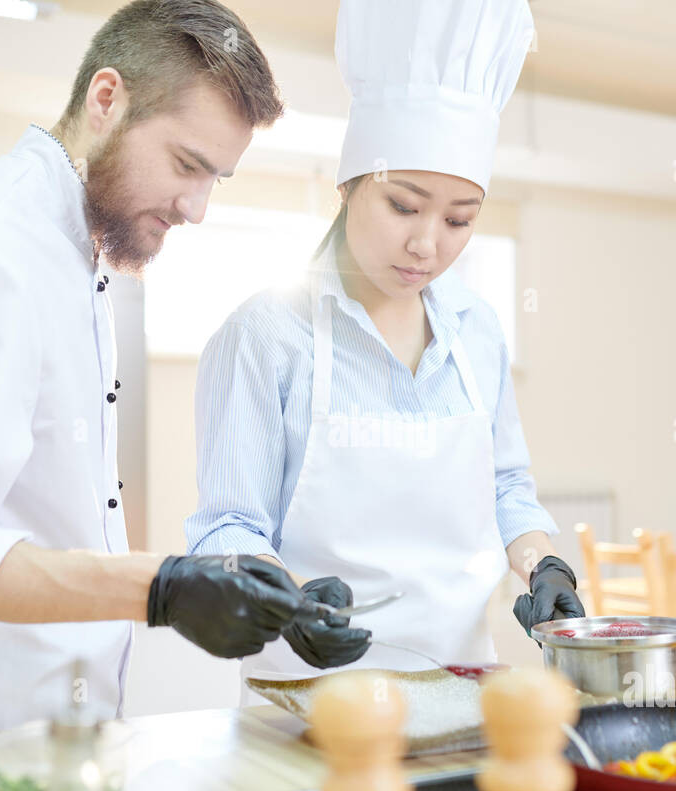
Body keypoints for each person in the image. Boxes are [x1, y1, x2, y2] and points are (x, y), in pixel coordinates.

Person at [0, 0, 339, 736]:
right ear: (106, 99)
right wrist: (159, 586)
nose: (197, 208)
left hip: (64, 742)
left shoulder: (79, 252)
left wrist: (254, 588)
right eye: (187, 165)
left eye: (217, 178)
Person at [187, 0, 584, 704]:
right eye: (403, 205)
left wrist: (543, 564)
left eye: (460, 219)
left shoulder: (476, 330)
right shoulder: (265, 334)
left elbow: (506, 489)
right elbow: (228, 526)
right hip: (311, 700)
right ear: (347, 186)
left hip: (463, 693)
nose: (427, 244)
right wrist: (285, 599)